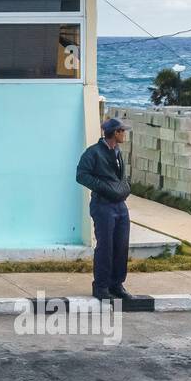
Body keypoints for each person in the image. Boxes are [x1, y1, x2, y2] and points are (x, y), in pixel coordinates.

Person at [76, 117, 133, 301]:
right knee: (105, 247)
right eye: (122, 130)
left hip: (120, 205)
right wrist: (103, 187)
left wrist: (124, 186)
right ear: (115, 133)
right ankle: (101, 286)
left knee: (121, 246)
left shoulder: (118, 152)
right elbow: (81, 175)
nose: (124, 133)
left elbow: (119, 177)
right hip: (103, 205)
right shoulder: (93, 153)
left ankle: (117, 284)